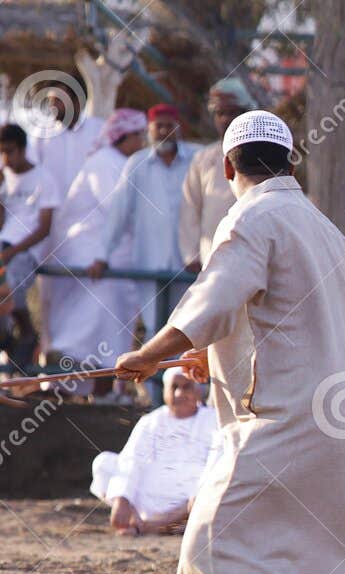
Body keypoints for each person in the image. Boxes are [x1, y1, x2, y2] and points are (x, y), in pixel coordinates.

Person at [112, 110, 345, 574]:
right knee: (309, 554)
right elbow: (281, 316)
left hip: (278, 424)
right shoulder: (325, 228)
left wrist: (151, 356)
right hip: (338, 426)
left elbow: (211, 300)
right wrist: (211, 356)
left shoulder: (250, 217)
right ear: (291, 163)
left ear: (228, 167)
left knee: (206, 553)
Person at [39, 109, 145, 381]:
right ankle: (73, 367)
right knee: (93, 317)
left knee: (109, 317)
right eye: (138, 135)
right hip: (87, 253)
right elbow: (117, 209)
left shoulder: (124, 162)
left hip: (109, 254)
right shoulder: (104, 161)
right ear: (123, 136)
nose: (143, 141)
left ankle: (104, 385)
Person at [94, 104, 197, 337]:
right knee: (156, 328)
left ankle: (180, 374)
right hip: (150, 259)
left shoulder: (196, 159)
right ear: (149, 130)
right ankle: (156, 373)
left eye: (169, 126)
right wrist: (103, 255)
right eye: (158, 126)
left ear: (177, 128)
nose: (163, 131)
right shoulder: (136, 164)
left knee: (188, 327)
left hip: (190, 262)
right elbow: (118, 212)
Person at [90, 366, 217, 534]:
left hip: (190, 497)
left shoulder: (212, 418)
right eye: (174, 388)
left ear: (198, 391)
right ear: (165, 392)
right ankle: (138, 522)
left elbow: (216, 461)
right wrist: (122, 499)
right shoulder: (151, 420)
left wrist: (197, 494)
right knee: (103, 463)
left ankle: (158, 526)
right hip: (150, 495)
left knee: (215, 481)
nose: (179, 394)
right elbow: (132, 459)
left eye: (186, 387)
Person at [0, 123, 61, 364]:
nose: (6, 157)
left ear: (23, 149)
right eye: (2, 151)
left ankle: (27, 334)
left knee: (11, 288)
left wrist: (13, 251)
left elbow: (44, 228)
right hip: (5, 247)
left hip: (27, 250)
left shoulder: (43, 179)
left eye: (10, 151)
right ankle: (11, 340)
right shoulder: (5, 179)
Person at [180, 79, 254, 272]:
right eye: (220, 113)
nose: (225, 119)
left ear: (244, 114)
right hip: (211, 260)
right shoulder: (203, 158)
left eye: (232, 112)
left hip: (252, 257)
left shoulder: (261, 152)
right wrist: (191, 255)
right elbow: (190, 208)